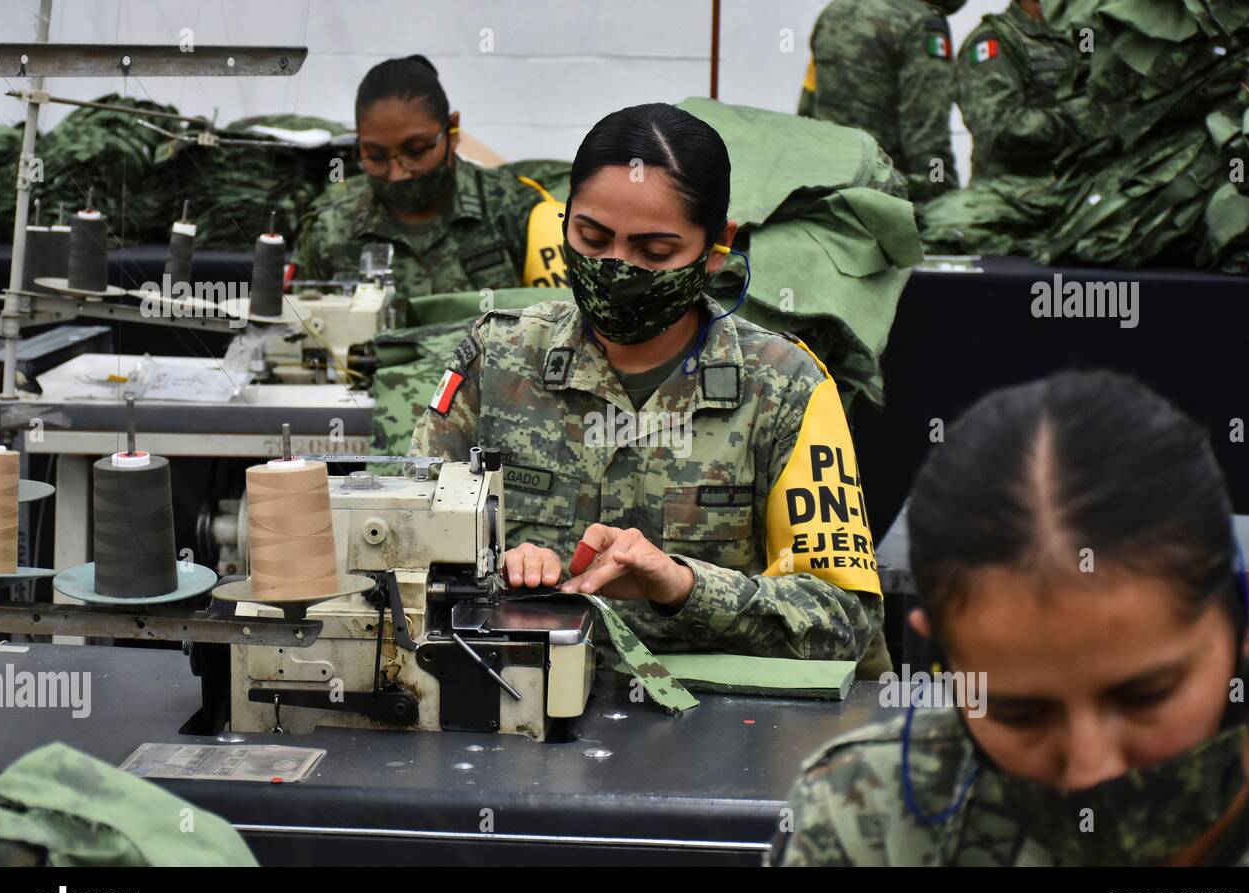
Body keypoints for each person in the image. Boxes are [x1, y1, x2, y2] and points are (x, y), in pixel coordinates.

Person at [411, 103, 889, 672]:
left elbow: (844, 621)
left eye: (655, 252)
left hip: (713, 715)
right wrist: (490, 570)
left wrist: (684, 586)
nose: (616, 267)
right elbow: (403, 545)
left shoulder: (784, 386)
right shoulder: (499, 358)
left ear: (717, 247)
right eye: (592, 238)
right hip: (523, 697)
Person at [772, 370, 1249, 865]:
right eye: (1019, 714)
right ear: (941, 655)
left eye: (1146, 696)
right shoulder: (865, 815)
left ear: (1247, 616)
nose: (1091, 771)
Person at [293, 55, 561, 298]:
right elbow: (302, 326)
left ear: (452, 130)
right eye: (376, 156)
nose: (398, 174)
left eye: (417, 150)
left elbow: (559, 321)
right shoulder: (329, 229)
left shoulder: (514, 209)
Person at [798, 0, 964, 202]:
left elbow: (806, 109)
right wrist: (944, 196)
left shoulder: (835, 12)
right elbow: (928, 137)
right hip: (882, 194)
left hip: (823, 186)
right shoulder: (922, 26)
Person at [956, 0, 1088, 180]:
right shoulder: (997, 40)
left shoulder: (1085, 34)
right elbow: (1001, 129)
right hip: (1019, 189)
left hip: (1087, 184)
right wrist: (1085, 115)